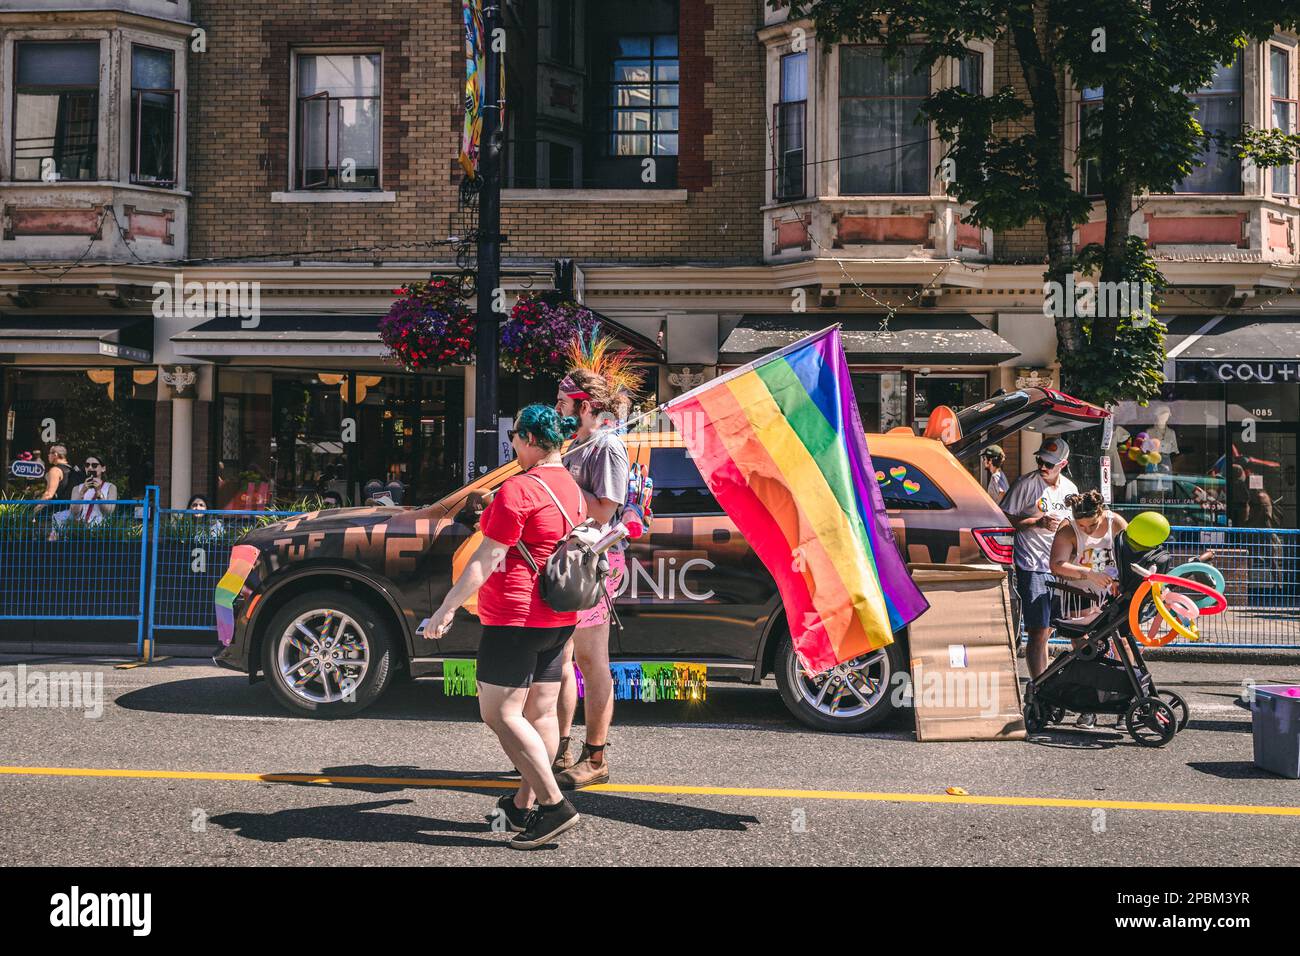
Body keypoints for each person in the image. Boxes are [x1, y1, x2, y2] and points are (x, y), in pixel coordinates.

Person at [426, 404, 585, 850]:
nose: (511, 443)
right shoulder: (569, 486)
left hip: (516, 616)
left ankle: (553, 807)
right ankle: (521, 805)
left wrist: (446, 610)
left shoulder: (518, 489)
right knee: (540, 713)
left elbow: (487, 557)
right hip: (559, 617)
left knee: (498, 712)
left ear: (531, 439)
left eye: (514, 435)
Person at [552, 364, 637, 789]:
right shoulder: (576, 444)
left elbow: (605, 510)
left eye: (563, 402)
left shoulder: (607, 447)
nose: (557, 408)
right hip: (566, 560)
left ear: (584, 406)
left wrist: (558, 480)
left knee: (590, 660)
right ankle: (559, 749)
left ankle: (596, 756)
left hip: (592, 563)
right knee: (560, 659)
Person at [1001, 437, 1078, 679]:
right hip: (1032, 566)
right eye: (1040, 460)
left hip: (1062, 566)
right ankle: (1039, 683)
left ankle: (1051, 680)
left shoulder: (1070, 489)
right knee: (1038, 629)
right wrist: (1036, 522)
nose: (1043, 466)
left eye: (1049, 463)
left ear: (1063, 464)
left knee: (1065, 628)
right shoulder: (1026, 484)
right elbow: (1002, 518)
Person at [1050, 490, 1129, 726]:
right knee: (1085, 647)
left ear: (1101, 513)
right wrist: (1089, 573)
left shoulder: (1115, 522)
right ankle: (1088, 706)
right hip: (1079, 592)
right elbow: (1056, 564)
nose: (1086, 530)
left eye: (1091, 524)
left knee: (1123, 643)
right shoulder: (1067, 530)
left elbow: (1130, 553)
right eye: (1081, 525)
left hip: (1111, 590)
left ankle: (1125, 703)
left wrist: (1120, 581)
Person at [71, 455, 118, 525]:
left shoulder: (111, 487)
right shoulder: (77, 488)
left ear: (103, 468)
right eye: (87, 465)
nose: (90, 468)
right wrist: (82, 493)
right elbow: (74, 512)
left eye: (94, 465)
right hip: (81, 530)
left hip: (102, 530)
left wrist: (98, 492)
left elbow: (108, 512)